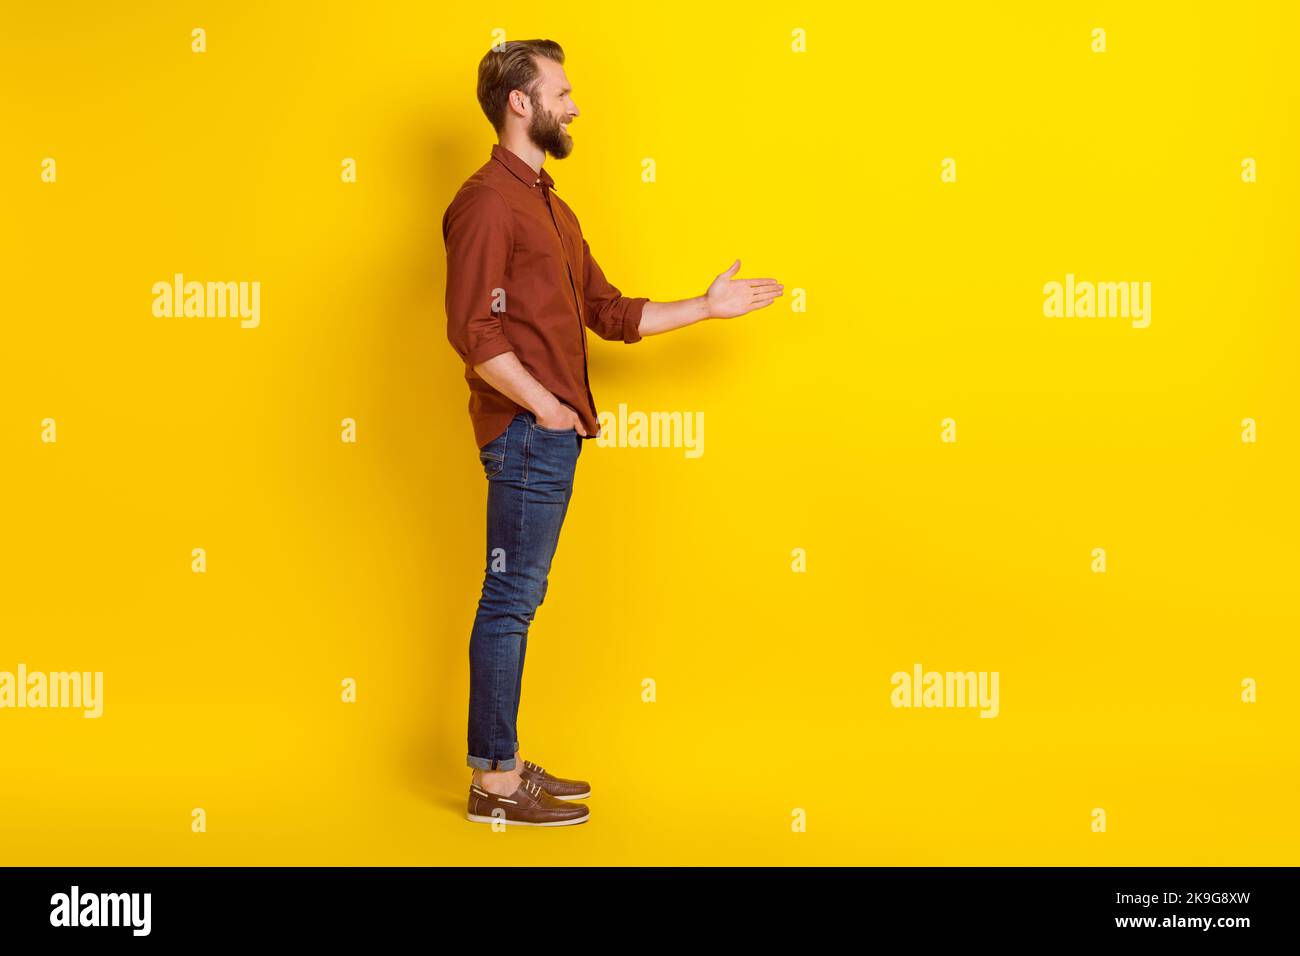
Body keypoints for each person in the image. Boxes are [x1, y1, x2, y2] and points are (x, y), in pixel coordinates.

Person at [443, 38, 783, 826]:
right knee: (510, 599)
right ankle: (492, 784)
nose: (575, 105)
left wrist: (705, 307)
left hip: (549, 433)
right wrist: (545, 406)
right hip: (528, 430)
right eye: (561, 91)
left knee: (517, 597)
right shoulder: (488, 201)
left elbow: (608, 312)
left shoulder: (552, 206)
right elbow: (474, 331)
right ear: (520, 103)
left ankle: (500, 758)